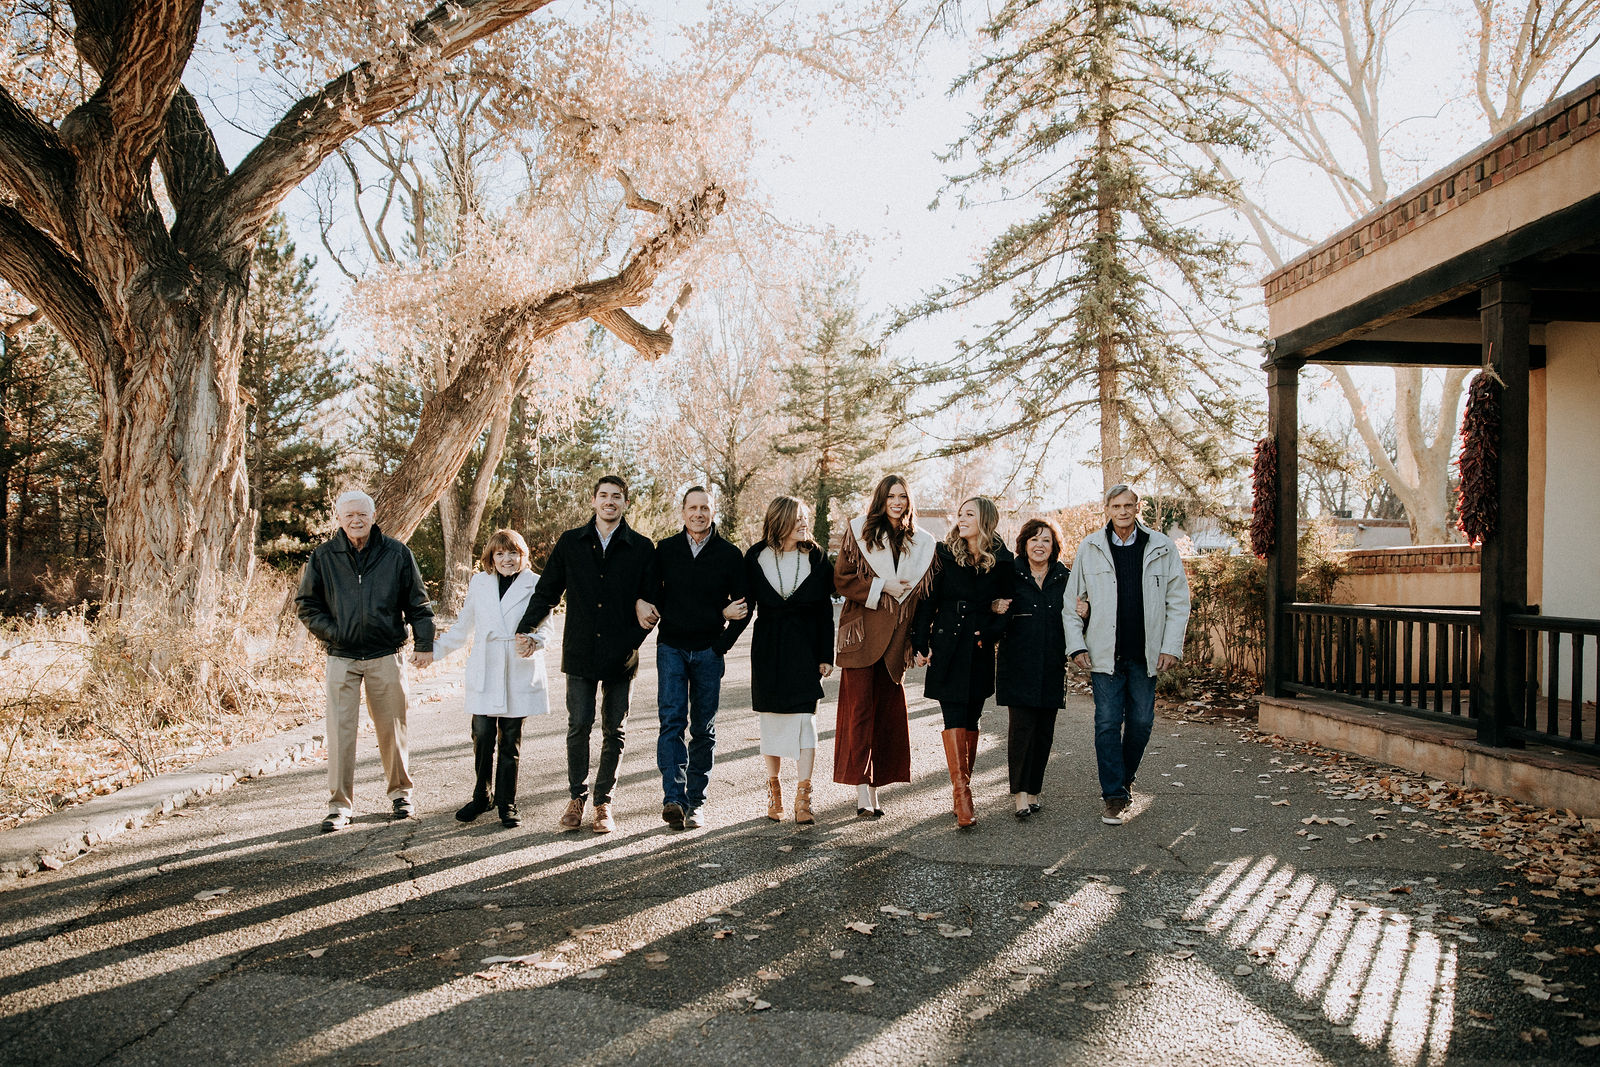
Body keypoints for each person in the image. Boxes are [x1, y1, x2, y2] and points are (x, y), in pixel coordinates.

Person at [515, 475, 655, 834]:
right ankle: (576, 798)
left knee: (614, 730)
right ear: (593, 501)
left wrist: (634, 638)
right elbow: (547, 591)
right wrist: (526, 628)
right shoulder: (571, 542)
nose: (610, 501)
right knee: (578, 725)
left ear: (625, 503)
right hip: (580, 650)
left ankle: (603, 802)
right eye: (603, 495)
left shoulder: (641, 547)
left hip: (622, 652)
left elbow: (652, 601)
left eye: (617, 496)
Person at [296, 490, 435, 832]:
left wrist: (424, 642)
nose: (356, 520)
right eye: (349, 515)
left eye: (362, 514)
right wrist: (336, 633)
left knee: (393, 729)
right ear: (339, 519)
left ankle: (401, 794)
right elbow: (307, 605)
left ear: (373, 516)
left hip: (385, 654)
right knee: (340, 733)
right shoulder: (324, 556)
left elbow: (418, 603)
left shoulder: (396, 553)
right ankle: (339, 806)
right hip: (341, 657)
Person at [1064, 484, 1192, 826]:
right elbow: (1072, 602)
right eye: (1116, 506)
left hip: (1145, 654)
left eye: (1128, 505)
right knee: (1107, 723)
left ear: (1138, 507)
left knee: (1141, 722)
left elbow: (1178, 601)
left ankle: (1123, 778)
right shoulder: (1091, 547)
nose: (1122, 511)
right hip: (1104, 654)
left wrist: (1170, 646)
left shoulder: (1161, 546)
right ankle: (1114, 795)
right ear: (1107, 509)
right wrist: (1076, 645)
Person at [637, 486, 749, 831]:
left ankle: (696, 801)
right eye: (693, 508)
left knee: (703, 728)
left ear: (713, 512)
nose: (698, 514)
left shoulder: (729, 554)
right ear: (683, 511)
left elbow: (744, 607)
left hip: (708, 651)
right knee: (672, 722)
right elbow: (651, 594)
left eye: (705, 508)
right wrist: (641, 602)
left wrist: (721, 646)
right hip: (671, 647)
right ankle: (674, 799)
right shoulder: (666, 549)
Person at [432, 529, 554, 828]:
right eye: (500, 554)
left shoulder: (536, 584)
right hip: (486, 664)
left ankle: (507, 802)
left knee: (510, 739)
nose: (506, 559)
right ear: (491, 557)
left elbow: (547, 630)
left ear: (522, 555)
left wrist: (534, 642)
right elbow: (463, 627)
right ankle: (481, 796)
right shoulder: (480, 582)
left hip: (517, 666)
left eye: (513, 553)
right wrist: (432, 652)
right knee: (483, 735)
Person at [833, 474, 937, 817]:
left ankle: (876, 787)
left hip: (895, 639)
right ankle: (862, 790)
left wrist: (918, 643)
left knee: (885, 716)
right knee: (859, 713)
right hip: (861, 636)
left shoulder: (922, 543)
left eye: (902, 496)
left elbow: (924, 599)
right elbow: (842, 579)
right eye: (891, 496)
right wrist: (882, 587)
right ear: (881, 499)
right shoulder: (859, 532)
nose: (897, 502)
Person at [911, 496, 1014, 828]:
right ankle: (962, 794)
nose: (962, 519)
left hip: (979, 646)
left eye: (970, 514)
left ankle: (962, 789)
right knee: (954, 715)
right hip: (947, 645)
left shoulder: (1002, 558)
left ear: (985, 520)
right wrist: (919, 642)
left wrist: (991, 632)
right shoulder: (944, 553)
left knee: (972, 717)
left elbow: (1008, 605)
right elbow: (928, 599)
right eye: (960, 514)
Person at [744, 496, 835, 825]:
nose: (803, 523)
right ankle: (775, 791)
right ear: (779, 520)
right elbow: (744, 603)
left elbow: (825, 610)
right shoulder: (756, 556)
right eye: (797, 518)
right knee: (770, 723)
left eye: (805, 517)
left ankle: (803, 797)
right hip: (768, 651)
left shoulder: (817, 557)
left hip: (805, 651)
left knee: (805, 723)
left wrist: (826, 654)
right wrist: (720, 637)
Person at [995, 517, 1081, 819]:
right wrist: (994, 606)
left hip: (1052, 665)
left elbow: (1077, 616)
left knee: (1044, 732)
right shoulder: (1011, 574)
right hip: (1018, 664)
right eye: (1034, 539)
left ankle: (1033, 791)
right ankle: (1020, 794)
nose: (1040, 545)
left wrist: (1085, 611)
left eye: (1046, 540)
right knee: (1022, 730)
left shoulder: (1065, 578)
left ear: (1054, 546)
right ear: (1024, 544)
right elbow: (991, 606)